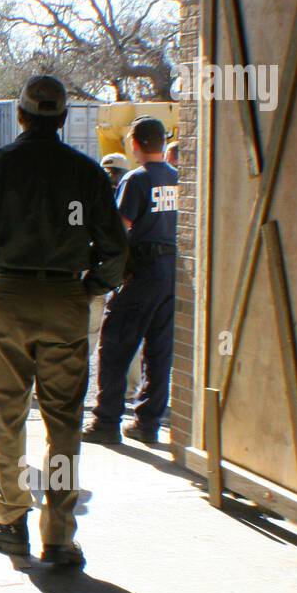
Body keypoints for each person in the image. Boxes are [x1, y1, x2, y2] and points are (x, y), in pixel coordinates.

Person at [0, 75, 127, 567]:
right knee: (64, 422)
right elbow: (115, 249)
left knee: (6, 415)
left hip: (8, 296)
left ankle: (10, 521)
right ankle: (60, 537)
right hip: (68, 297)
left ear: (21, 116)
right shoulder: (88, 173)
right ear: (64, 118)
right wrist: (88, 288)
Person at [83, 117, 178, 446]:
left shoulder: (137, 180)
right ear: (162, 143)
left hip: (141, 271)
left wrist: (101, 268)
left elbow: (119, 228)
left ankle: (106, 421)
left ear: (135, 144)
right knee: (159, 350)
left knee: (115, 344)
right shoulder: (177, 178)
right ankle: (148, 422)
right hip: (171, 271)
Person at [90, 152, 142, 404]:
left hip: (96, 278)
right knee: (128, 341)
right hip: (119, 279)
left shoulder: (93, 196)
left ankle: (73, 389)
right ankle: (131, 392)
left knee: (85, 337)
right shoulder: (130, 195)